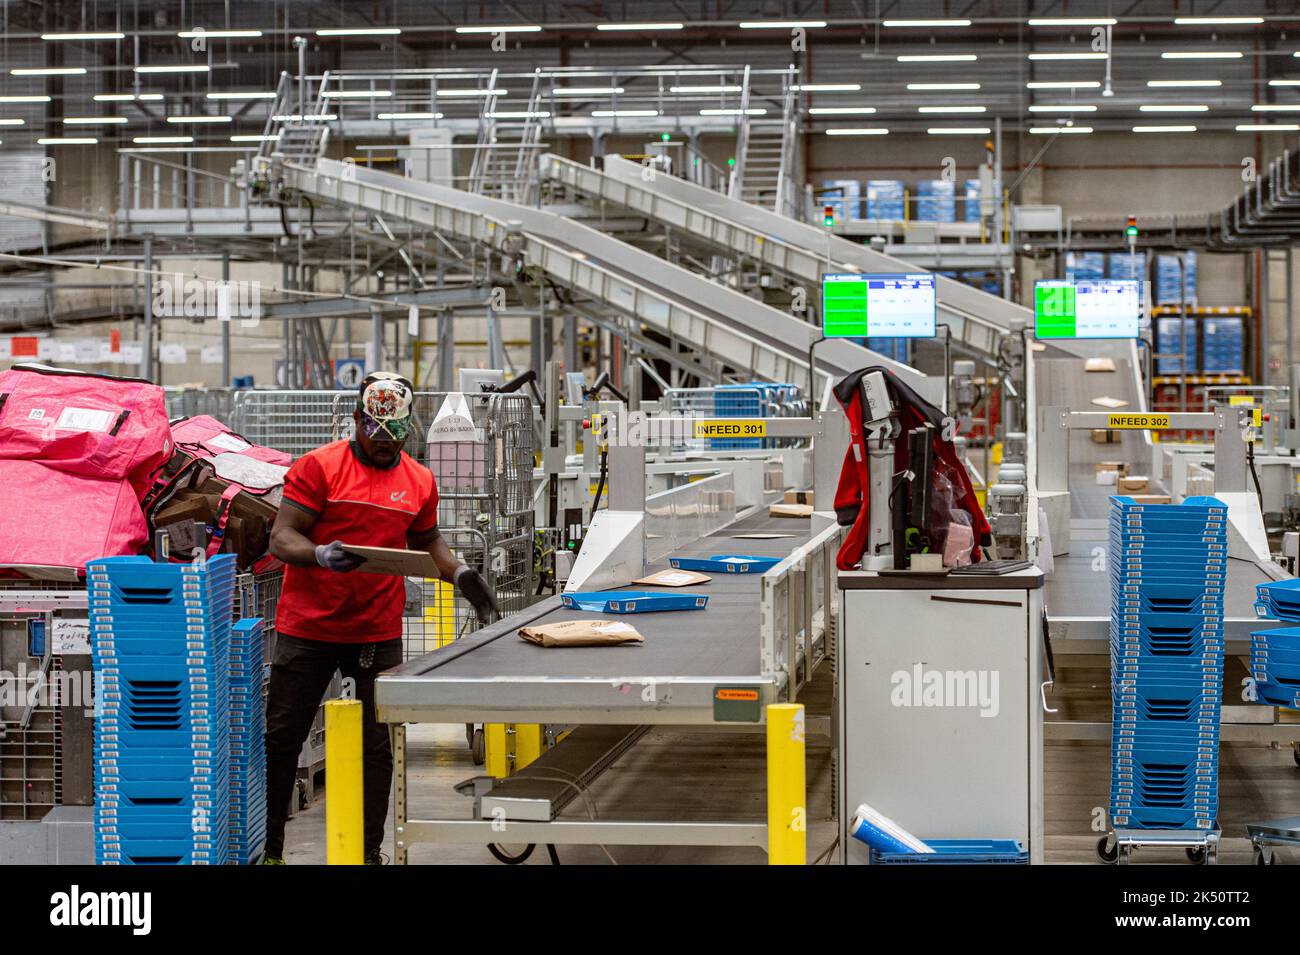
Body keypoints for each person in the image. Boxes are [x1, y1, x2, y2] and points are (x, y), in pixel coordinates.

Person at [261, 371, 497, 864]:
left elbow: (427, 541)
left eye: (396, 435)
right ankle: (273, 851)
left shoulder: (418, 479)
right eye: (376, 432)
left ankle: (368, 852)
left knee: (377, 746)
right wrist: (319, 554)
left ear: (409, 428)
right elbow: (282, 537)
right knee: (283, 737)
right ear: (357, 421)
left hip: (376, 629)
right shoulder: (318, 469)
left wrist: (460, 573)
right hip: (309, 627)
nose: (385, 443)